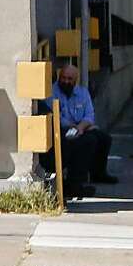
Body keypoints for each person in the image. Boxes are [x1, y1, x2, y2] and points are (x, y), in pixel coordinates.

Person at [50, 65, 116, 198]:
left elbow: (89, 115)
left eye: (70, 79)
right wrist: (75, 127)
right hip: (62, 130)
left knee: (104, 138)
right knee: (88, 141)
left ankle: (99, 174)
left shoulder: (83, 92)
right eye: (63, 78)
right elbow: (57, 117)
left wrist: (81, 128)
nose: (66, 81)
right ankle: (75, 183)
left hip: (81, 128)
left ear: (75, 80)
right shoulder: (52, 92)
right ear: (59, 77)